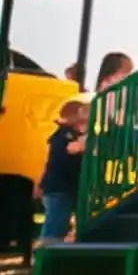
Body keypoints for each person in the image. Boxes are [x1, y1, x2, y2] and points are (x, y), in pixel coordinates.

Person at [36, 94, 91, 246]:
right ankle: (45, 255)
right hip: (59, 189)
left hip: (65, 187)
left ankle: (49, 254)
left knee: (60, 223)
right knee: (55, 225)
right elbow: (72, 148)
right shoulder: (64, 134)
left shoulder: (68, 134)